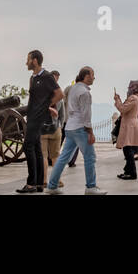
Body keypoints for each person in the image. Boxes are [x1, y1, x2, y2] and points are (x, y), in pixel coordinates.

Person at [46, 66, 105, 194]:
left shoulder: (72, 89)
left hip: (70, 127)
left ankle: (52, 186)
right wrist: (90, 132)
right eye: (92, 75)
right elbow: (86, 115)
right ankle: (91, 187)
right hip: (80, 128)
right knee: (90, 157)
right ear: (87, 76)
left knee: (63, 158)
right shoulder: (85, 93)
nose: (94, 78)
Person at [18, 50, 63, 193]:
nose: (26, 62)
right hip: (32, 117)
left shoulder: (47, 76)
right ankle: (38, 184)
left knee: (27, 147)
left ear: (35, 61)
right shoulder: (33, 78)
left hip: (38, 118)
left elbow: (59, 94)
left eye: (28, 59)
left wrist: (46, 106)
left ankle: (31, 184)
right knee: (37, 148)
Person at [114, 80, 138, 179]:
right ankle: (127, 171)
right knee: (127, 148)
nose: (128, 88)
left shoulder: (133, 98)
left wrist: (117, 100)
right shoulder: (136, 98)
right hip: (130, 124)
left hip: (129, 125)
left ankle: (132, 173)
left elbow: (122, 109)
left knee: (127, 149)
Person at [43, 70, 64, 167]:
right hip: (55, 127)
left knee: (44, 156)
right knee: (55, 156)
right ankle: (56, 180)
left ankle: (44, 180)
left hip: (44, 127)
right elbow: (62, 115)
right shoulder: (59, 94)